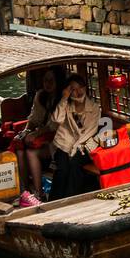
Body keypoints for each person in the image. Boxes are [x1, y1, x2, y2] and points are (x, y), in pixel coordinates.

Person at [10, 67, 63, 207]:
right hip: (42, 137)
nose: (48, 83)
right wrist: (26, 131)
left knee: (30, 152)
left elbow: (54, 126)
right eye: (46, 80)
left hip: (56, 141)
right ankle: (26, 192)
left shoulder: (63, 98)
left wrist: (36, 134)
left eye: (52, 80)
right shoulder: (40, 95)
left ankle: (39, 194)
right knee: (20, 150)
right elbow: (33, 119)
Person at [47, 72, 102, 201]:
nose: (78, 92)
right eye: (73, 89)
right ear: (68, 91)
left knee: (75, 164)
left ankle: (70, 200)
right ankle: (54, 201)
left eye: (80, 88)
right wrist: (64, 99)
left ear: (85, 88)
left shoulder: (94, 108)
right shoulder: (66, 105)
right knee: (62, 169)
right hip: (64, 143)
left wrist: (74, 149)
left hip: (85, 145)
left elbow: (90, 132)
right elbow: (56, 119)